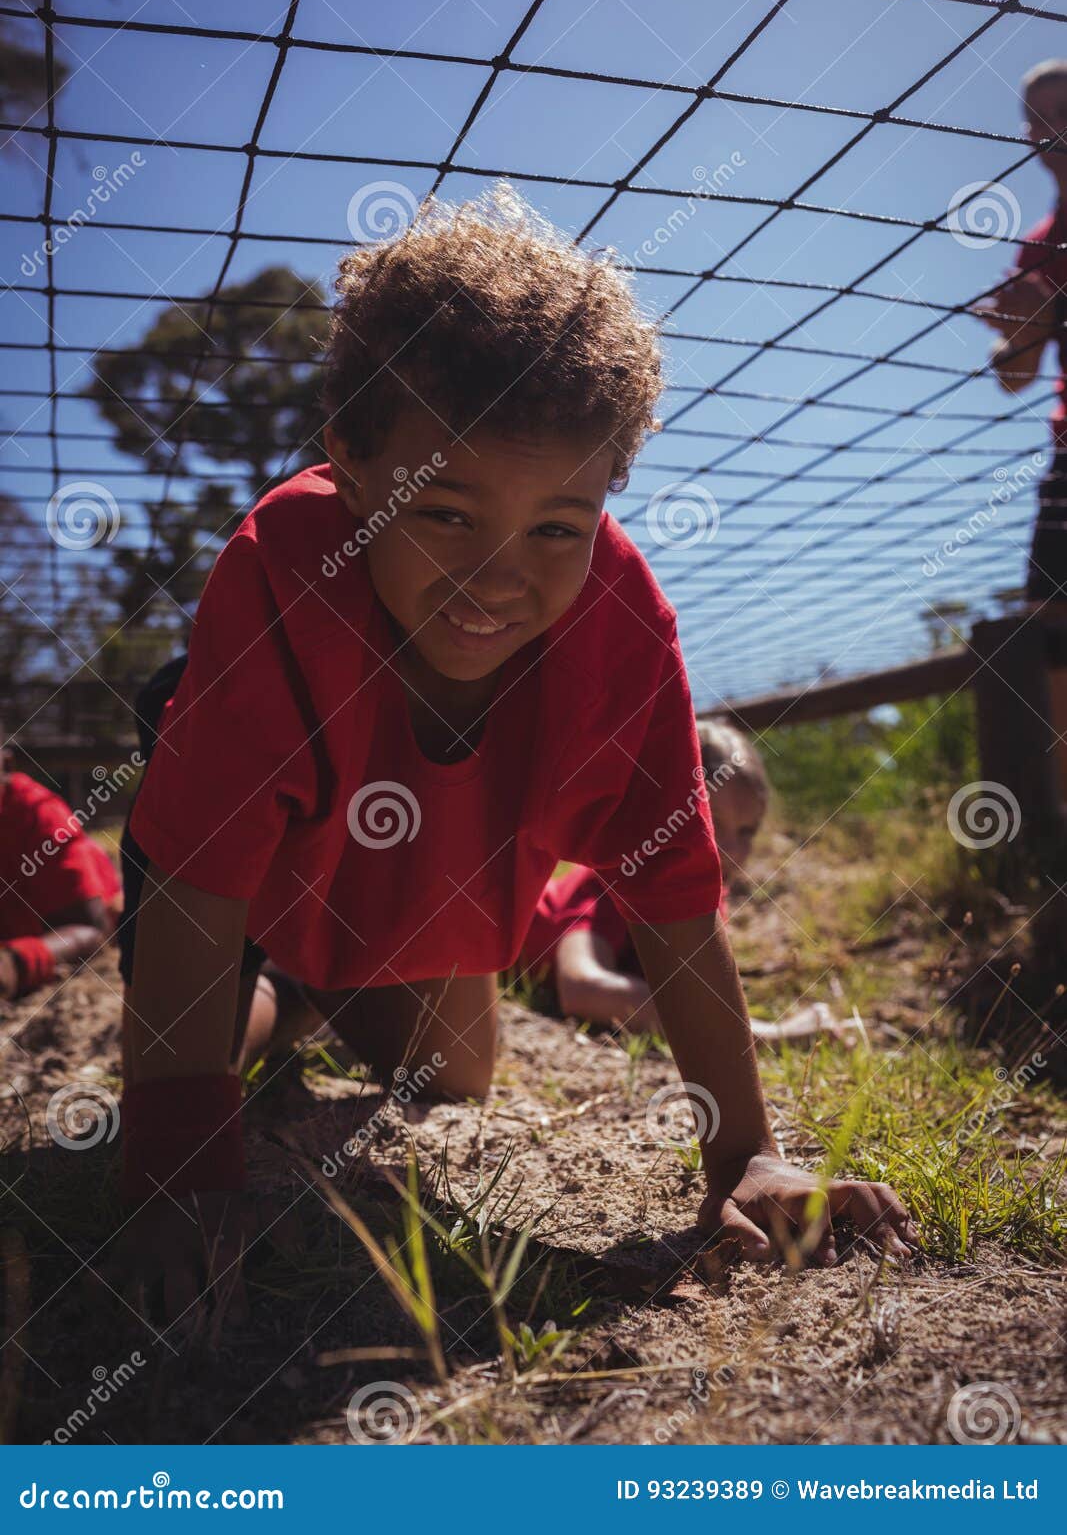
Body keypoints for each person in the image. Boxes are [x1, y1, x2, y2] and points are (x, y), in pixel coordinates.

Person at [117, 184, 916, 1323]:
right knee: (201, 1021)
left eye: (554, 526)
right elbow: (197, 887)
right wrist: (179, 1173)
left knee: (454, 1077)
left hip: (411, 877)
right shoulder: (280, 571)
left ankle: (304, 991)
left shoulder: (621, 620)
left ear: (606, 502)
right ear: (347, 460)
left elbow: (677, 898)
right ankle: (273, 983)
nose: (498, 577)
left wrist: (745, 1151)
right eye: (445, 512)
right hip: (239, 875)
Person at [516, 720, 854, 1043]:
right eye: (712, 821)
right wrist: (767, 1034)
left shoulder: (707, 898)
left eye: (747, 831)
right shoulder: (616, 879)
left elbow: (693, 989)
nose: (731, 849)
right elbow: (582, 988)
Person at [974, 58, 1067, 798]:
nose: (1047, 131)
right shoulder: (1035, 247)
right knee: (1050, 623)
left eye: (1061, 111)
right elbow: (1015, 377)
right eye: (1034, 118)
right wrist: (1021, 331)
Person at [0, 721, 122, 999]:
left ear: (6, 767)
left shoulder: (40, 815)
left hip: (102, 906)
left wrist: (14, 964)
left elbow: (93, 933)